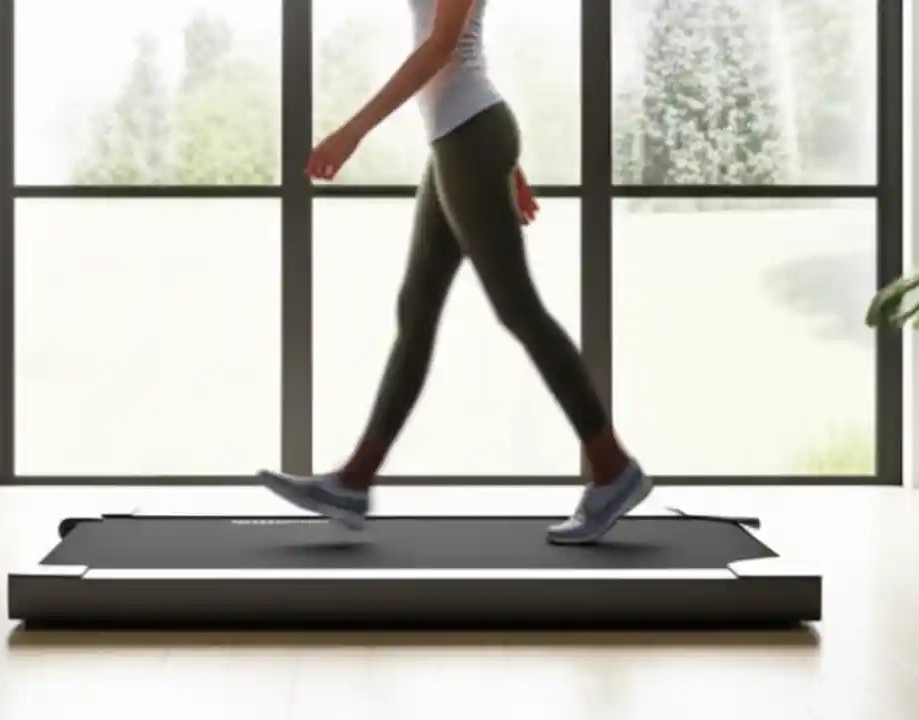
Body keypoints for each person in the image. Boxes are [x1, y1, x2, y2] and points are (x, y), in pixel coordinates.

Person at [260, 0, 651, 544]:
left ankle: (613, 468)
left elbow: (443, 46)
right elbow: (459, 51)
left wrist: (353, 132)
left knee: (517, 306)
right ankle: (352, 482)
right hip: (459, 140)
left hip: (470, 134)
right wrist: (505, 164)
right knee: (416, 310)